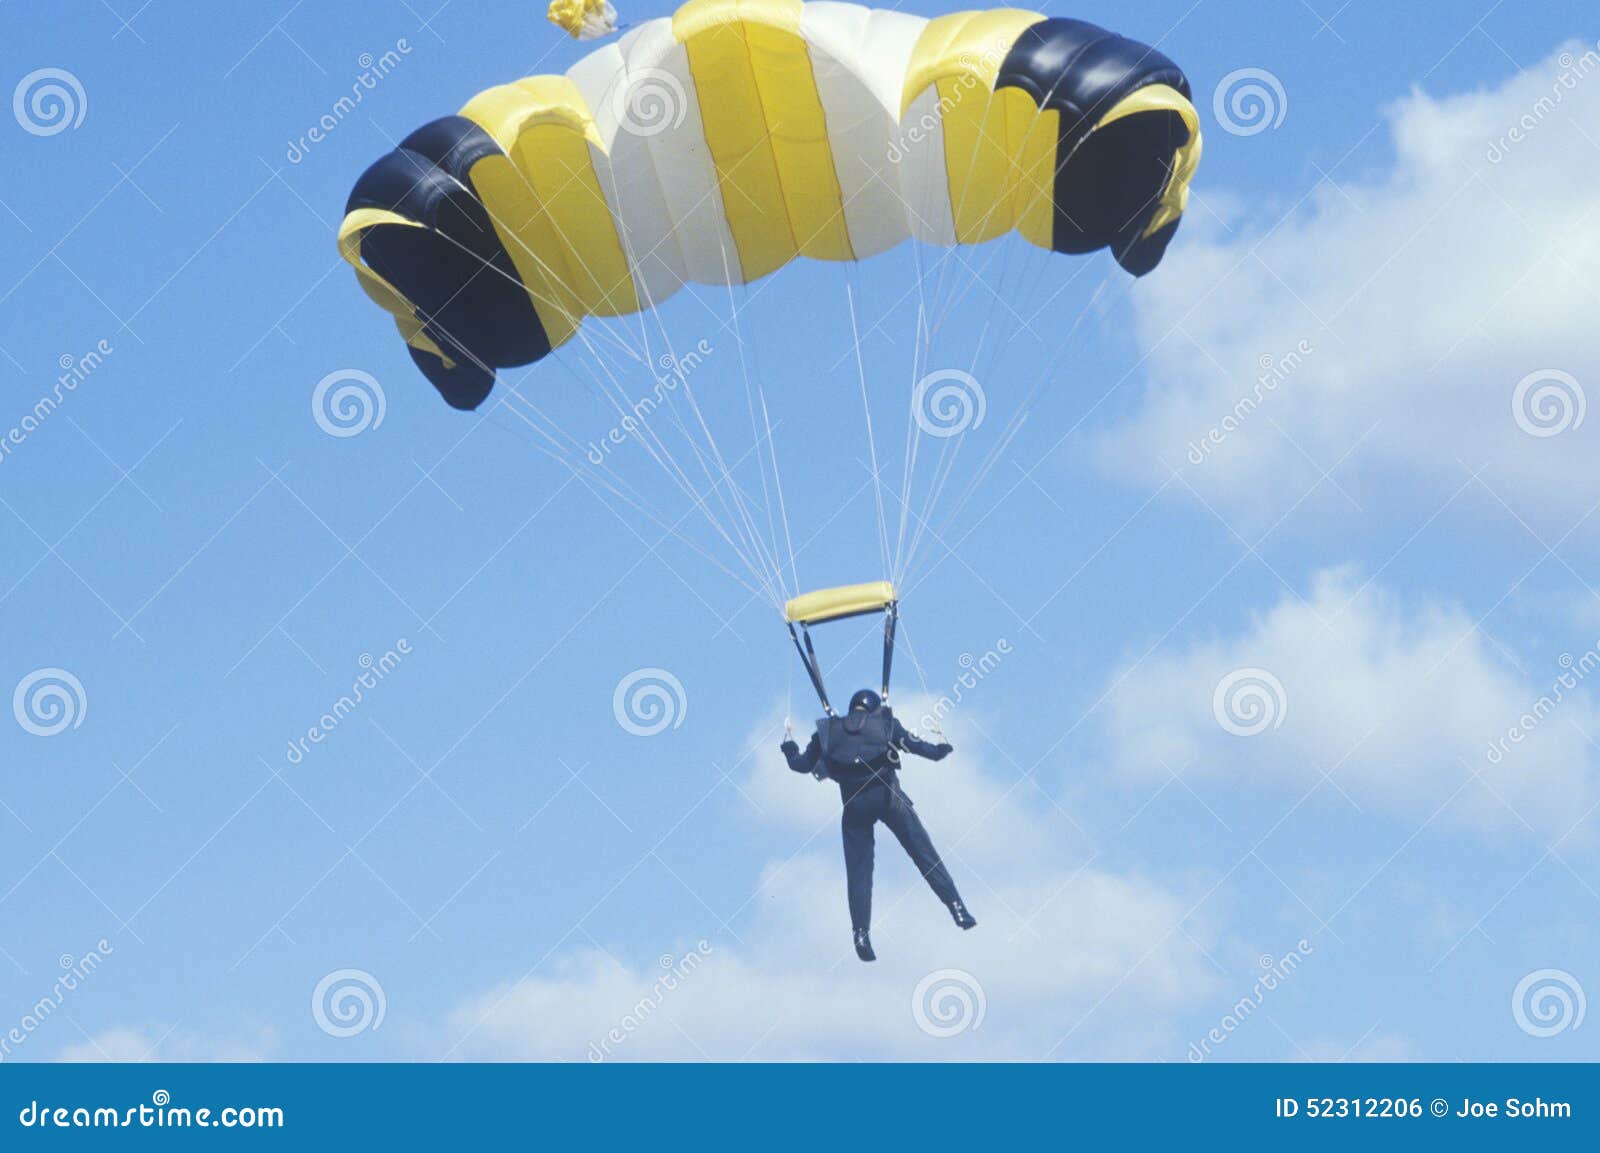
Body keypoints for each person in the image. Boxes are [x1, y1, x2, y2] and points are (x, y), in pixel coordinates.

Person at [781, 689, 977, 962]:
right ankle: (957, 908)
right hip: (887, 799)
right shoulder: (884, 723)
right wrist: (941, 750)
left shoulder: (827, 731)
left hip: (855, 808)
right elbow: (919, 748)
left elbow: (801, 765)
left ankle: (861, 935)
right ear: (873, 708)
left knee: (859, 873)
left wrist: (789, 748)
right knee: (924, 854)